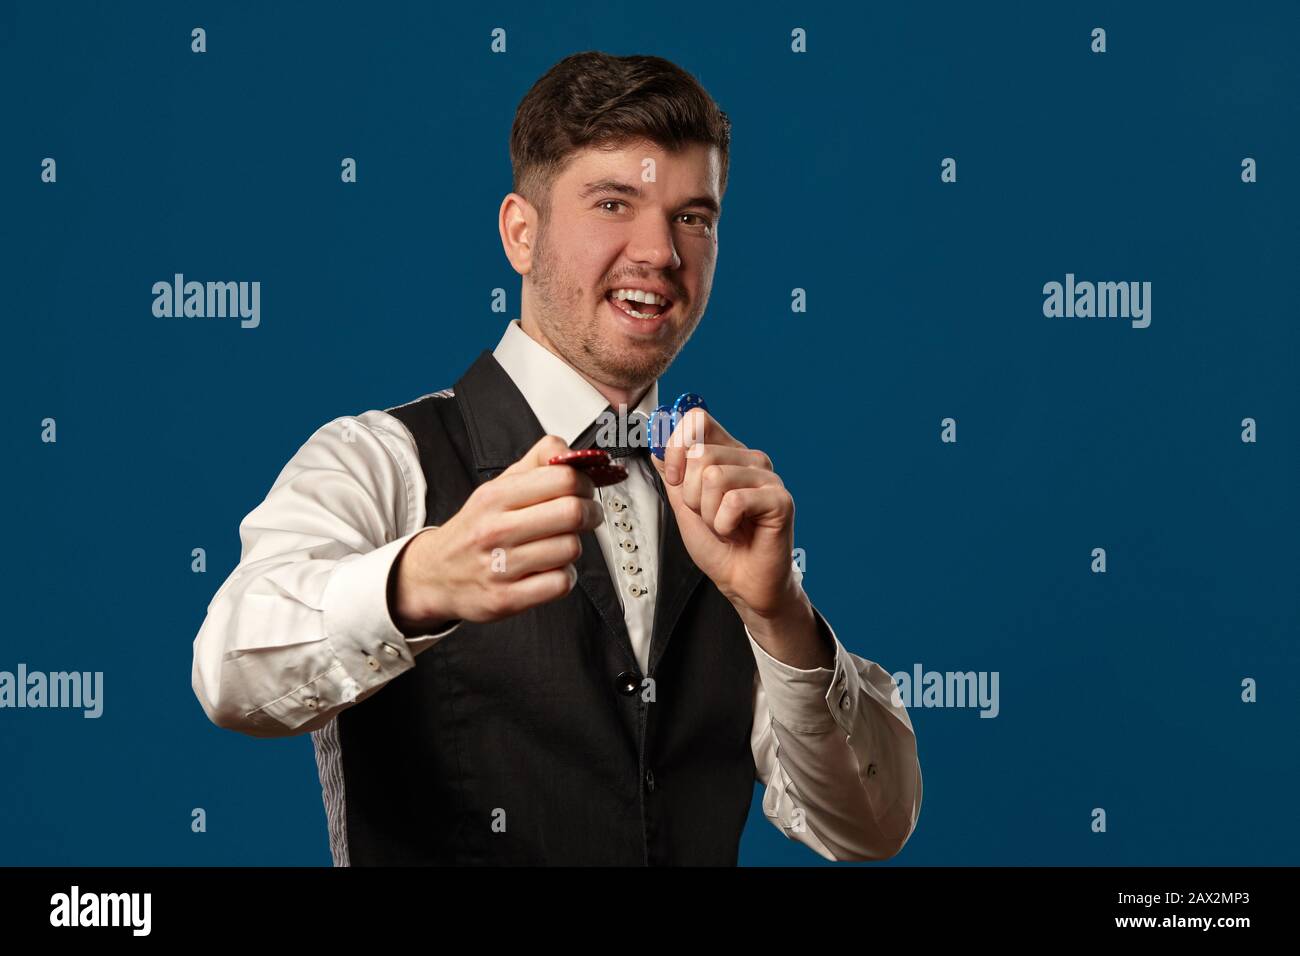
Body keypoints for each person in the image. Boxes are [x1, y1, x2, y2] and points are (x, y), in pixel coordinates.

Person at [191, 50, 922, 866]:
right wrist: (421, 579)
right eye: (614, 203)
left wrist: (780, 614)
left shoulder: (724, 500)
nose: (661, 253)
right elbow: (229, 668)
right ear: (521, 233)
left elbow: (869, 826)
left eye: (694, 217)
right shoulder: (380, 459)